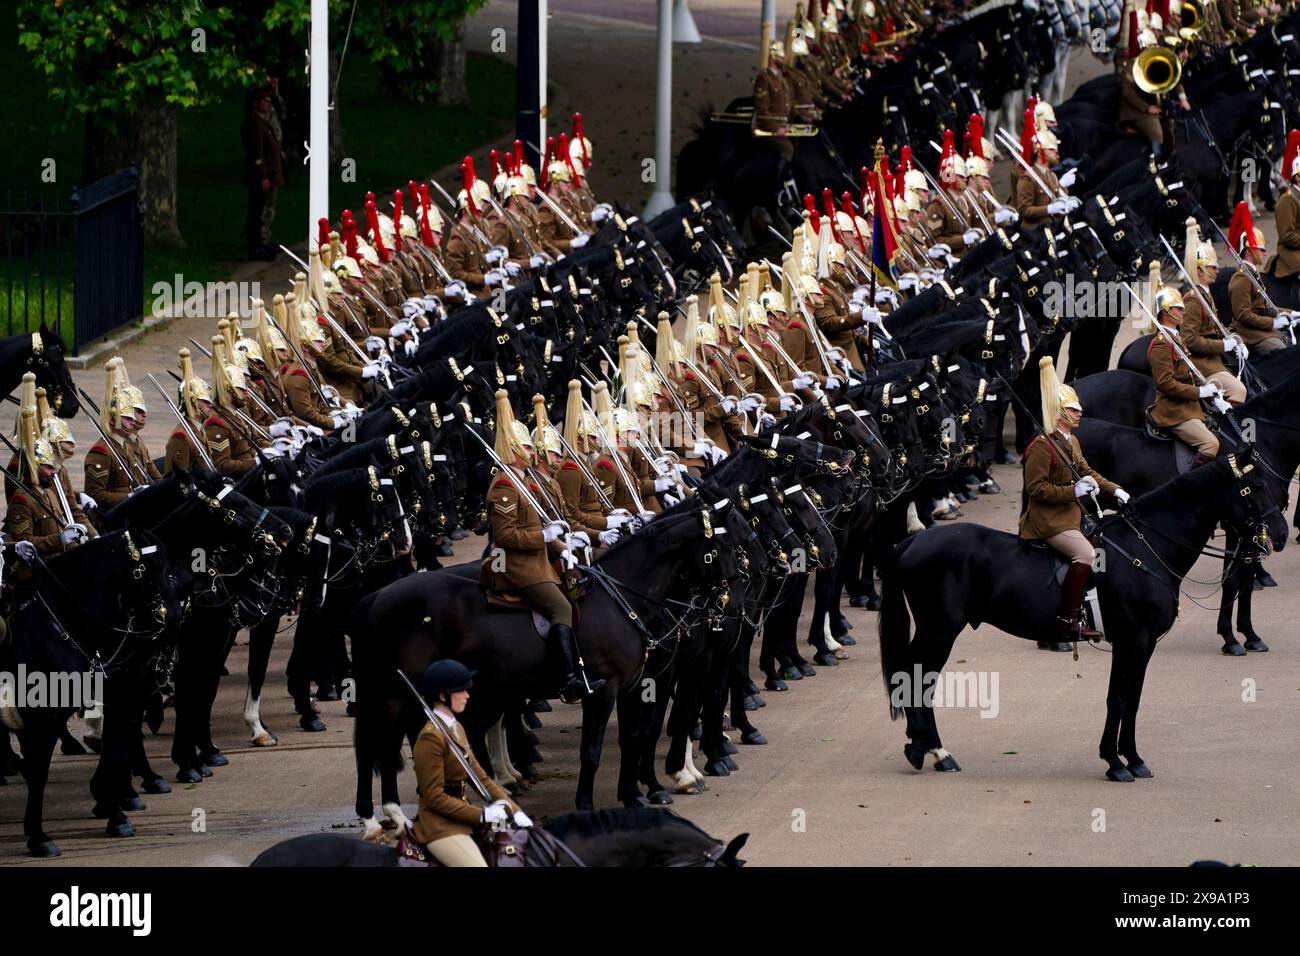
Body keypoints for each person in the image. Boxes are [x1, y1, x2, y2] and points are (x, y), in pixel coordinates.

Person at [480, 389, 605, 703]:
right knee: (561, 607)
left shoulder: (522, 480)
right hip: (516, 566)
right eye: (524, 446)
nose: (530, 452)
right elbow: (506, 536)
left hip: (538, 559)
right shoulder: (505, 486)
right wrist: (546, 538)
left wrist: (561, 547)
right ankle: (567, 682)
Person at [1019, 357, 1129, 644]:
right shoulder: (1042, 447)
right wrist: (1073, 492)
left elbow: (1087, 472)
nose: (1079, 414)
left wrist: (1113, 490)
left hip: (1070, 513)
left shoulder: (1071, 441)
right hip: (1048, 520)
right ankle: (1068, 619)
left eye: (1078, 409)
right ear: (1058, 412)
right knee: (1086, 555)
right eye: (1072, 409)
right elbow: (1036, 489)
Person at [411, 659, 528, 868]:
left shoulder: (456, 728)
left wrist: (515, 810)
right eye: (461, 691)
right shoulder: (431, 738)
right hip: (439, 826)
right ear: (442, 695)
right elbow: (434, 797)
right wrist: (483, 814)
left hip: (462, 818)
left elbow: (480, 777)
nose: (468, 695)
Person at [1149, 286, 1229, 464]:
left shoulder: (1177, 339)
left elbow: (1190, 376)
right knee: (1210, 444)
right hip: (1174, 411)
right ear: (1166, 311)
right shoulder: (1161, 344)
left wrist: (1212, 398)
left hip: (1190, 407)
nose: (1184, 311)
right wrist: (1200, 393)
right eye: (1179, 308)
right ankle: (1191, 487)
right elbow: (1166, 383)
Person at [1179, 221, 1247, 404]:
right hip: (1202, 363)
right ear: (1200, 270)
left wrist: (1234, 339)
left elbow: (1216, 326)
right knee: (1239, 391)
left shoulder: (1206, 293)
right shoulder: (1193, 299)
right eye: (1212, 267)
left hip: (1213, 358)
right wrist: (1223, 346)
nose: (1218, 270)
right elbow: (1190, 340)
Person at [242, 85, 285, 262]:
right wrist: (263, 176)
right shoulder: (254, 123)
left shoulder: (262, 122)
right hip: (263, 176)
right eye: (264, 101)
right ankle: (257, 245)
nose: (268, 104)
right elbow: (257, 153)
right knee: (259, 211)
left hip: (270, 174)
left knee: (266, 209)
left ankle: (264, 242)